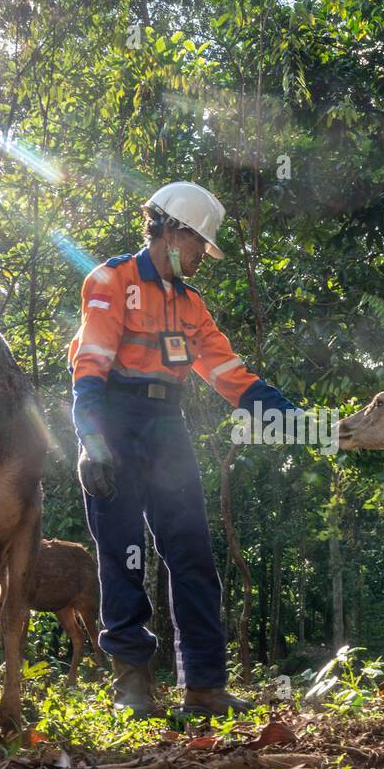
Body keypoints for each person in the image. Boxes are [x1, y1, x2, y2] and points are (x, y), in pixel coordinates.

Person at [67, 181, 297, 717]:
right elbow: (90, 365)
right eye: (198, 246)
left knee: (191, 550)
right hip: (114, 417)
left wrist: (291, 418)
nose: (201, 258)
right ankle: (133, 682)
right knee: (122, 549)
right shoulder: (112, 280)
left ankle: (205, 686)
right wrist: (92, 440)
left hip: (165, 423)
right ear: (173, 231)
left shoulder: (191, 306)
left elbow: (230, 374)